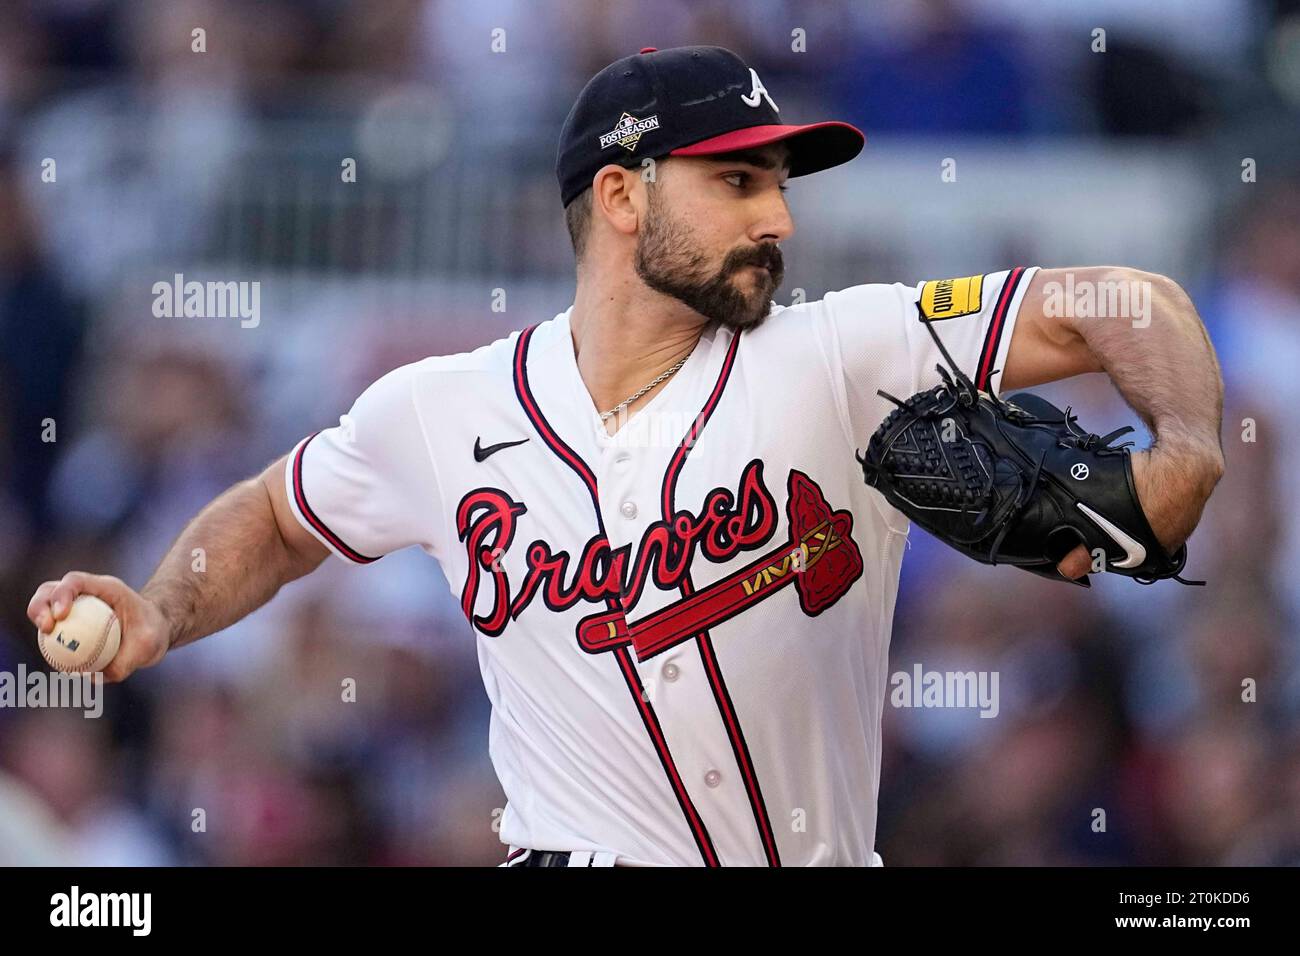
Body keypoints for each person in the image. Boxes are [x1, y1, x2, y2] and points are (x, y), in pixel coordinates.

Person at [28, 46, 1225, 867]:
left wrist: (1184, 450)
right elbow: (282, 516)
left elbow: (1126, 299)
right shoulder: (440, 410)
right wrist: (159, 607)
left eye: (779, 183)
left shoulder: (838, 352)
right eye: (737, 179)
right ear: (619, 195)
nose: (778, 216)